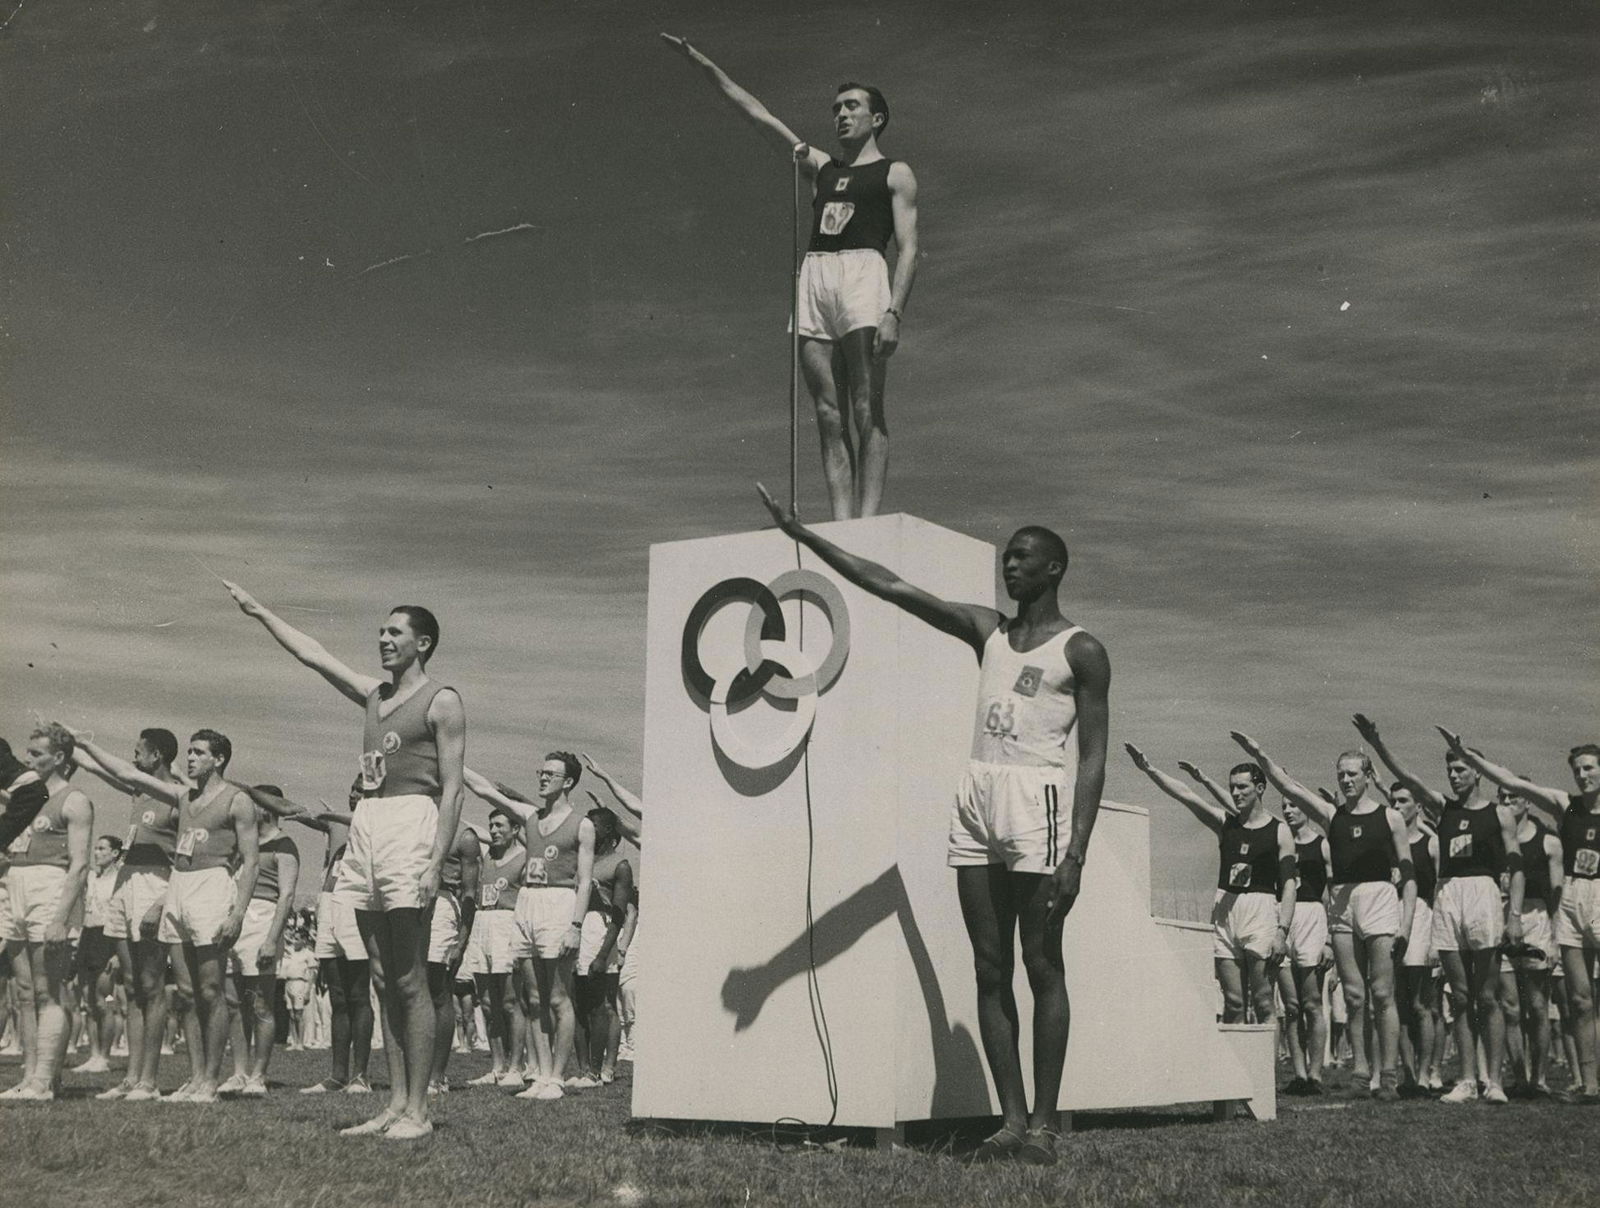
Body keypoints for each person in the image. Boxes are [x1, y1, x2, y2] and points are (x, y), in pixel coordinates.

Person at [759, 487, 1109, 1166]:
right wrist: (802, 533)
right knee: (987, 966)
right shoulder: (989, 631)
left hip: (1036, 802)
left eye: (1022, 557)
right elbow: (892, 586)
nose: (1009, 566)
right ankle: (1008, 1124)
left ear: (1054, 569)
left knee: (1042, 964)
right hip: (976, 797)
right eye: (1006, 557)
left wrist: (1078, 851)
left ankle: (1043, 1126)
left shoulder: (1083, 650)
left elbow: (1092, 756)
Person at [224, 583, 466, 1140]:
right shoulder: (374, 696)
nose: (383, 639)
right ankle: (395, 1102)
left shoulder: (442, 700)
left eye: (395, 632)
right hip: (370, 825)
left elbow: (452, 791)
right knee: (381, 977)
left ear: (422, 643)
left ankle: (420, 1112)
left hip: (413, 823)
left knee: (410, 978)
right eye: (381, 631)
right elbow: (314, 655)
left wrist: (434, 862)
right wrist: (261, 609)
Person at [662, 35, 920, 520]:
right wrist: (699, 59)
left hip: (864, 275)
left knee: (866, 404)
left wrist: (894, 312)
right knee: (827, 412)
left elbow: (909, 248)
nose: (840, 114)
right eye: (836, 108)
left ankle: (867, 522)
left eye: (851, 106)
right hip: (816, 279)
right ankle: (842, 525)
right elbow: (759, 116)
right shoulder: (822, 168)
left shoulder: (894, 173)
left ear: (875, 118)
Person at [72, 728, 259, 1103]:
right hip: (179, 888)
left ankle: (209, 1079)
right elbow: (127, 775)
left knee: (210, 988)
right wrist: (84, 744)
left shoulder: (236, 801)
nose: (190, 758)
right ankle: (192, 1080)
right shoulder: (182, 794)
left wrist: (238, 912)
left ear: (218, 759)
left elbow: (250, 861)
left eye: (199, 753)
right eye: (189, 751)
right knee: (187, 991)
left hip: (208, 886)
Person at [1232, 737, 1413, 1100]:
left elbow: (1408, 875)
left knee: (1382, 991)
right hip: (1343, 903)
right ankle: (1362, 1074)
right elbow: (1288, 786)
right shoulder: (1333, 816)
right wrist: (1258, 754)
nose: (1346, 780)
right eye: (1340, 775)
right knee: (1355, 994)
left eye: (1352, 774)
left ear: (1366, 776)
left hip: (1379, 898)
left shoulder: (1389, 817)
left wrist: (1406, 924)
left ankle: (1388, 1076)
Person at [1354, 716, 1522, 1104]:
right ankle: (1464, 1079)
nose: (1454, 775)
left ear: (1478, 773)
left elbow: (1514, 868)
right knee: (1460, 996)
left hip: (1482, 894)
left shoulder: (1499, 814)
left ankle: (1492, 1081)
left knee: (1489, 995)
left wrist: (1514, 915)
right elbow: (1406, 777)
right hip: (1448, 895)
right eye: (1450, 770)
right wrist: (1377, 743)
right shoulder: (1442, 809)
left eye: (1461, 769)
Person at [1439, 736, 1600, 1103]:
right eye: (1577, 769)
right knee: (1579, 1000)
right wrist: (1466, 755)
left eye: (1589, 767)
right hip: (1575, 899)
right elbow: (1513, 782)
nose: (1582, 774)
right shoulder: (1566, 805)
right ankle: (1590, 1086)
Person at [1127, 749, 1295, 1031]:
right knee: (1233, 1003)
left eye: (1242, 787)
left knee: (1264, 1002)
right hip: (1225, 911)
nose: (1236, 793)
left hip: (1262, 912)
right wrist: (1149, 769)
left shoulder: (1279, 831)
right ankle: (1235, 1075)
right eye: (1232, 787)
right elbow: (1186, 795)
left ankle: (1265, 1074)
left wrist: (1282, 930)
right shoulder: (1225, 824)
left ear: (1260, 788)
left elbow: (1289, 885)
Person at [464, 753, 596, 1101]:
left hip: (559, 903)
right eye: (541, 772)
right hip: (527, 904)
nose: (542, 779)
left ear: (568, 782)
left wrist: (576, 926)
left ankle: (556, 1077)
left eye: (551, 774)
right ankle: (540, 1074)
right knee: (533, 997)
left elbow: (584, 881)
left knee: (558, 996)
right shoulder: (529, 817)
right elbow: (483, 790)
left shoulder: (582, 824)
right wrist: (445, 756)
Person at [0, 724, 95, 1101]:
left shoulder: (73, 801)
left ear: (59, 759)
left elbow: (80, 864)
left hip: (49, 888)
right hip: (15, 886)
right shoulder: (22, 800)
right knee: (23, 991)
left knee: (48, 991)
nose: (28, 760)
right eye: (28, 752)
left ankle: (45, 1080)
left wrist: (60, 917)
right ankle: (30, 1077)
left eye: (37, 754)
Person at [216, 786, 301, 1096]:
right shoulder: (243, 845)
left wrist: (271, 939)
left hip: (264, 921)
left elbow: (287, 895)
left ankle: (258, 1075)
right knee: (234, 1002)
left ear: (265, 810)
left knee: (261, 1003)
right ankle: (238, 1072)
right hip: (236, 919)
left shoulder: (284, 845)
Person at [462, 808, 528, 1087]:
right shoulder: (487, 857)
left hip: (507, 925)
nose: (495, 830)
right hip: (483, 924)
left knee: (511, 1002)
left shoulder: (524, 857)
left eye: (500, 825)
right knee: (488, 1003)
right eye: (491, 825)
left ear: (515, 829)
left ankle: (517, 1066)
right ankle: (497, 1065)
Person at [574, 806, 633, 1085]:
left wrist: (603, 953)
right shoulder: (582, 860)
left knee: (602, 1004)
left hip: (601, 930)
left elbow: (620, 913)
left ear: (608, 832)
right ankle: (584, 1068)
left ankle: (599, 1069)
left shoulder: (619, 865)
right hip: (577, 927)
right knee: (578, 1003)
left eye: (594, 825)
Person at [1391, 784, 1443, 1094]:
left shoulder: (1431, 843)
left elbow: (1440, 892)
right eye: (1393, 801)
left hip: (1422, 918)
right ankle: (1408, 1075)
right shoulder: (1388, 845)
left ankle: (1425, 1075)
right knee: (1398, 1002)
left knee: (1421, 1003)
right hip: (1391, 917)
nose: (1397, 806)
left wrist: (1437, 937)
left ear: (1417, 807)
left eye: (1403, 801)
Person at [1278, 797, 1330, 1094]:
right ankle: (1298, 1074)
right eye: (1284, 806)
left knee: (1312, 1002)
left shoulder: (1321, 844)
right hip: (1284, 916)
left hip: (1312, 916)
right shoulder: (1281, 842)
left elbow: (1332, 892)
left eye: (1294, 805)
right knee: (1291, 1006)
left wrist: (1330, 940)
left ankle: (1315, 1074)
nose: (1288, 811)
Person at [427, 824, 480, 1095]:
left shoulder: (464, 837)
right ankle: (416, 1072)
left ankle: (437, 1076)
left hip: (442, 905)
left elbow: (470, 894)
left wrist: (462, 940)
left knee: (439, 991)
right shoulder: (412, 822)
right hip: (410, 901)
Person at [72, 834, 123, 1074]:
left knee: (104, 1001)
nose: (96, 852)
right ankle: (93, 1055)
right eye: (96, 848)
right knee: (89, 1001)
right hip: (88, 936)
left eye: (102, 849)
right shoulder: (91, 877)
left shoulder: (119, 879)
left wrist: (116, 954)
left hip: (107, 938)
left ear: (114, 853)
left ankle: (104, 1055)